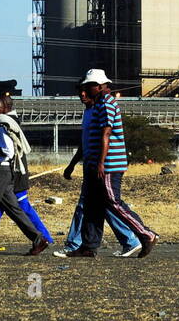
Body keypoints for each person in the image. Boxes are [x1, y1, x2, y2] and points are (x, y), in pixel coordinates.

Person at [67, 69, 158, 258]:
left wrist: (101, 162)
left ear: (99, 86)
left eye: (89, 86)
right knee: (92, 204)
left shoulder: (107, 104)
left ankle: (146, 234)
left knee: (113, 201)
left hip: (108, 165)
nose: (85, 90)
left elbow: (106, 133)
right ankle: (88, 246)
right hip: (95, 164)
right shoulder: (98, 105)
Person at [54, 82, 142, 258]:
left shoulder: (101, 109)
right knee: (97, 206)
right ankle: (126, 240)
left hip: (101, 165)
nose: (83, 95)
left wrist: (100, 163)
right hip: (91, 164)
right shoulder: (88, 112)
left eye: (86, 91)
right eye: (80, 92)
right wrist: (72, 165)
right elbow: (85, 143)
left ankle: (76, 244)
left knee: (96, 204)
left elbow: (106, 135)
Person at [0, 95, 51, 255]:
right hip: (5, 172)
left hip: (0, 171)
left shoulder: (0, 125)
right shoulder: (2, 123)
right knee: (15, 210)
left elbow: (7, 151)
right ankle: (38, 239)